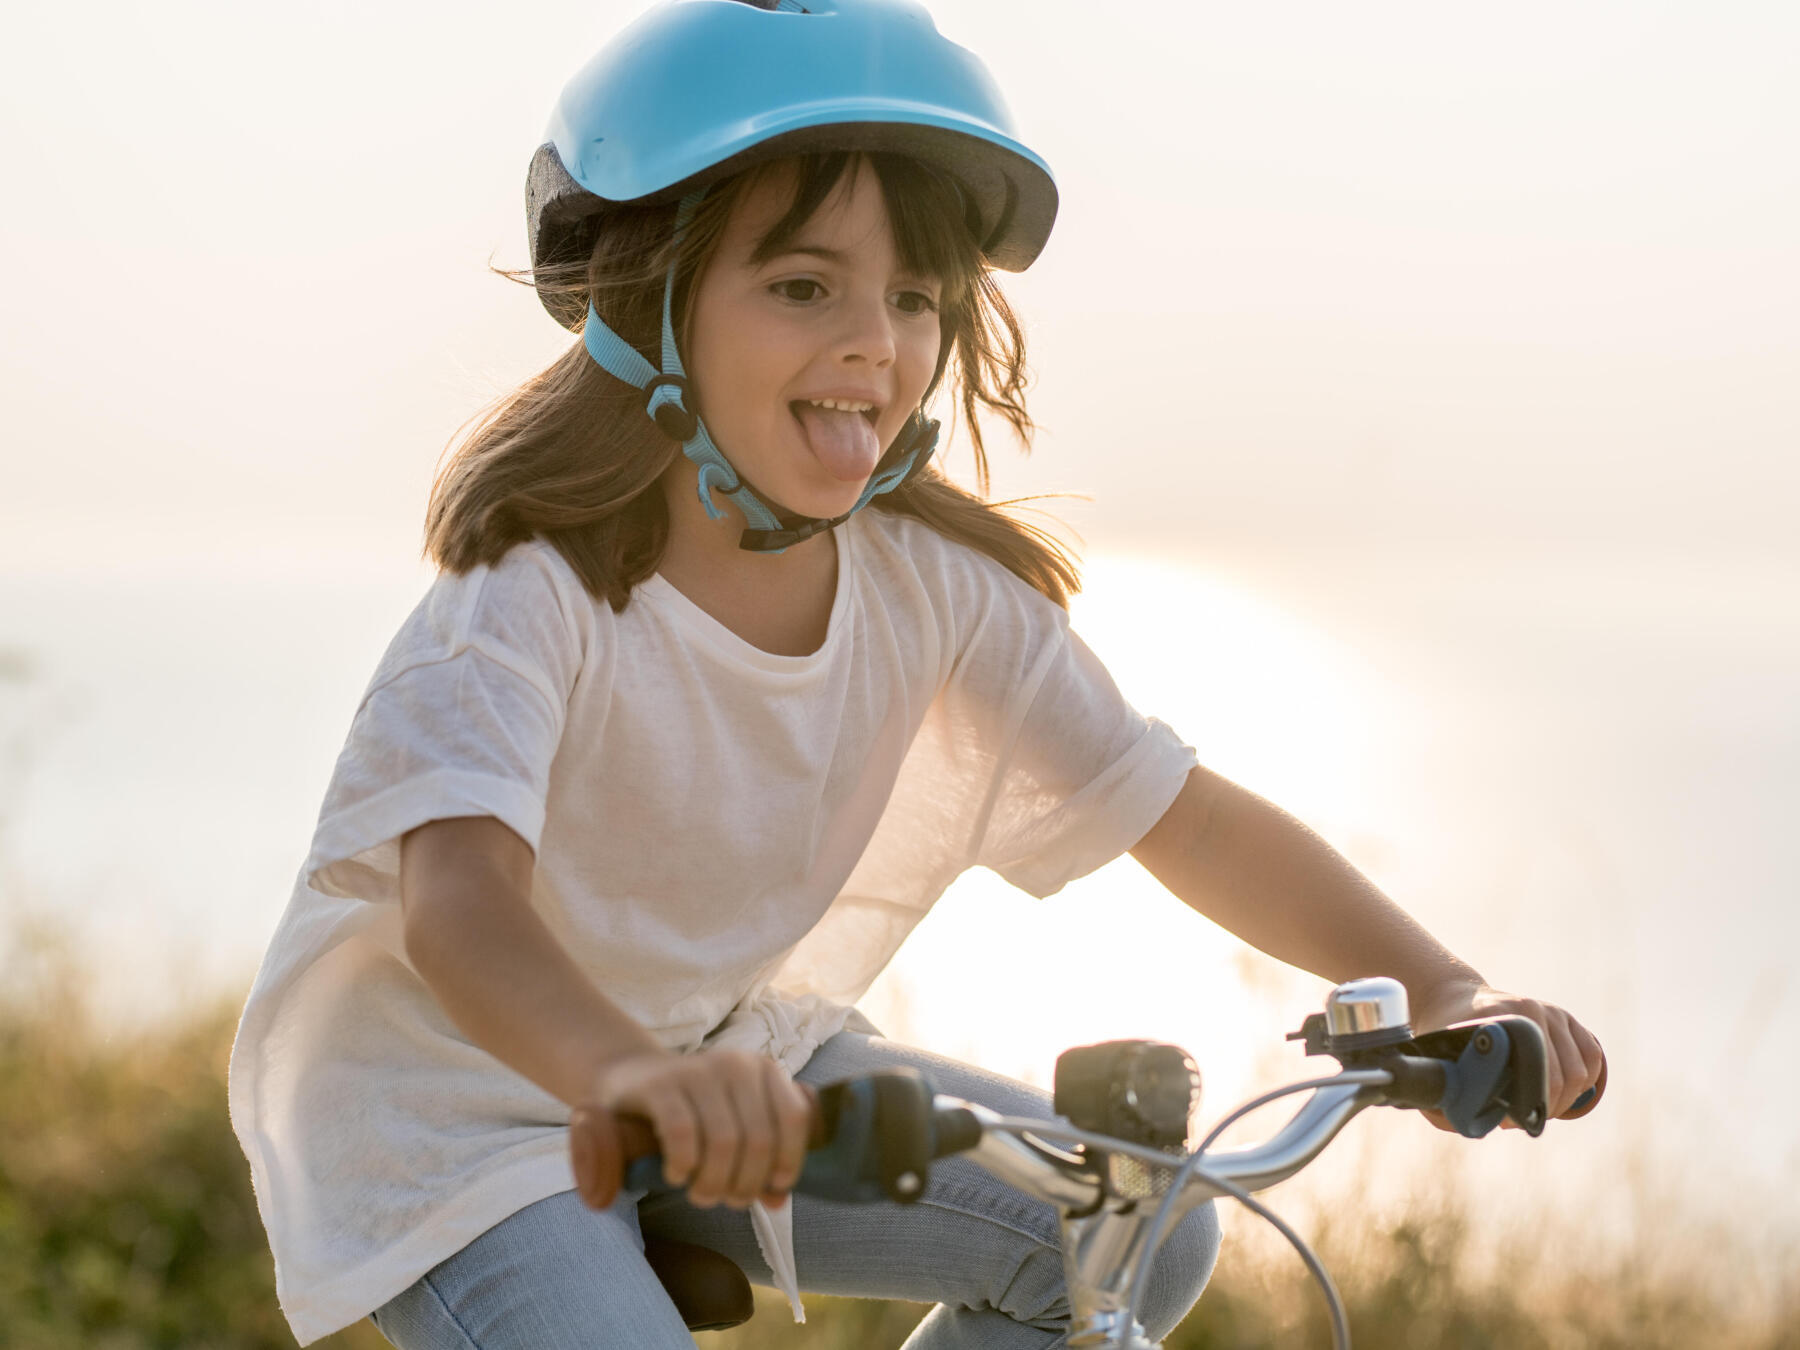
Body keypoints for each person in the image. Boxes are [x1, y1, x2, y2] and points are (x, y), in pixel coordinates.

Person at [227, 0, 1607, 1346]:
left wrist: (1440, 983)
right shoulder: (529, 598)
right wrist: (631, 1077)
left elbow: (1181, 813)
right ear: (649, 306)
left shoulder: (930, 592)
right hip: (467, 1127)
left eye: (914, 298)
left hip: (724, 1063)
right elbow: (459, 902)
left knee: (1137, 1228)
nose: (873, 345)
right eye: (801, 285)